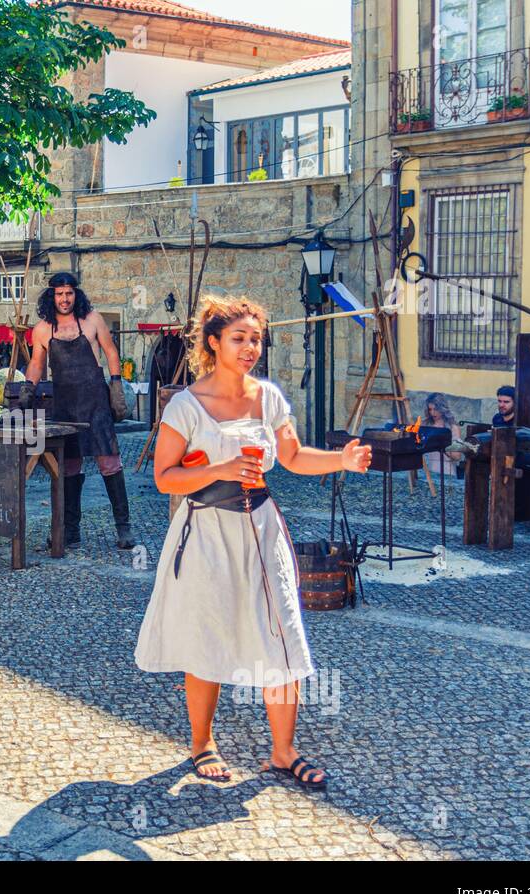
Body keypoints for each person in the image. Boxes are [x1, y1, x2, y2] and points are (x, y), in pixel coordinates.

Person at [134, 295, 371, 790]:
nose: (249, 348)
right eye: (239, 338)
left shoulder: (268, 398)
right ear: (214, 343)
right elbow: (164, 477)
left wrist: (340, 461)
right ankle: (202, 744)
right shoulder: (187, 405)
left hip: (260, 529)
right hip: (206, 531)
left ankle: (283, 752)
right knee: (208, 636)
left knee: (281, 631)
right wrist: (220, 468)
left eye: (256, 339)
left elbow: (293, 456)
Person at [21, 272, 134, 549]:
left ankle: (124, 528)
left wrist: (116, 385)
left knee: (109, 462)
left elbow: (110, 351)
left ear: (76, 294)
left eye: (69, 293)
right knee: (69, 466)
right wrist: (27, 387)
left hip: (95, 401)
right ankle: (70, 530)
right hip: (65, 405)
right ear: (52, 296)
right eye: (59, 294)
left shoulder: (92, 320)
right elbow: (37, 363)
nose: (64, 299)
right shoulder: (42, 329)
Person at [424, 392, 462, 477]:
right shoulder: (427, 426)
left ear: (442, 409)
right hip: (428, 473)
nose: (433, 413)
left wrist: (441, 445)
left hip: (447, 473)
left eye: (435, 409)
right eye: (430, 409)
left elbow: (457, 456)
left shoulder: (453, 428)